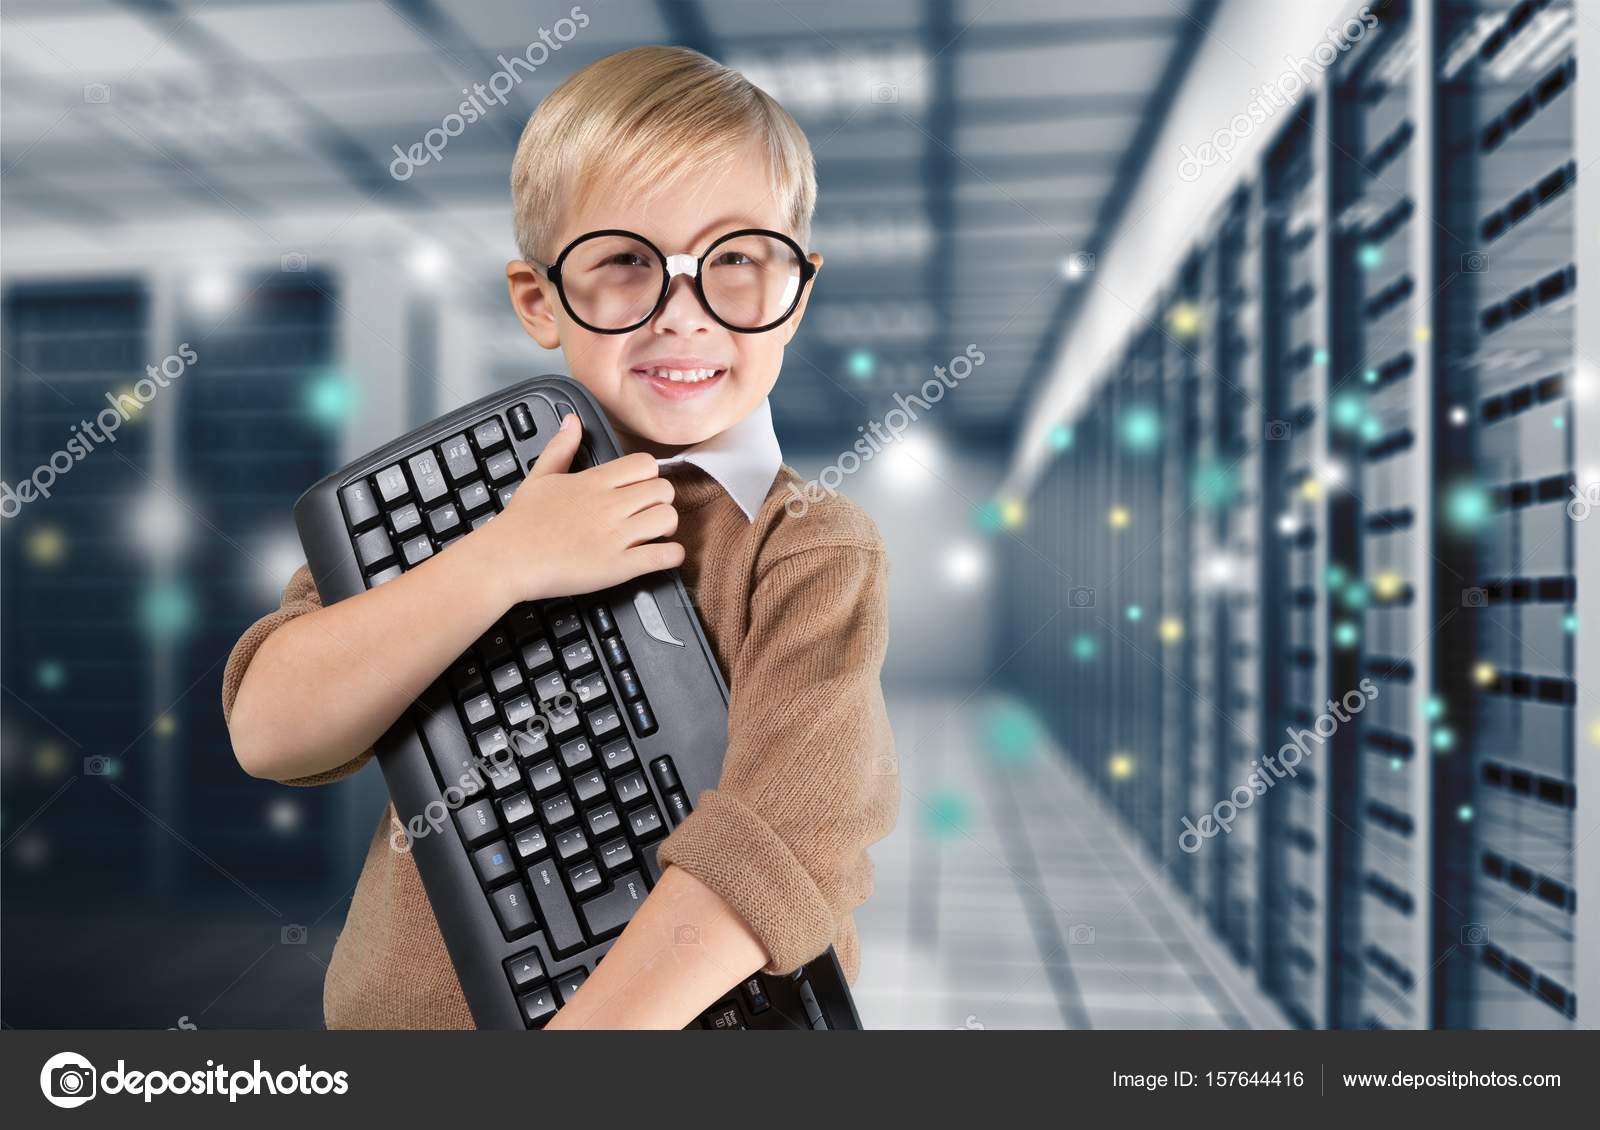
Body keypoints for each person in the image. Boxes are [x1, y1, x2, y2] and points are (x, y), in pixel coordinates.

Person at [223, 45, 898, 1029]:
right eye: (626, 263)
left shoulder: (806, 551)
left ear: (795, 290)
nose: (683, 317)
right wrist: (503, 560)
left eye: (735, 261)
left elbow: (784, 843)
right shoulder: (452, 494)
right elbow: (271, 731)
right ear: (541, 300)